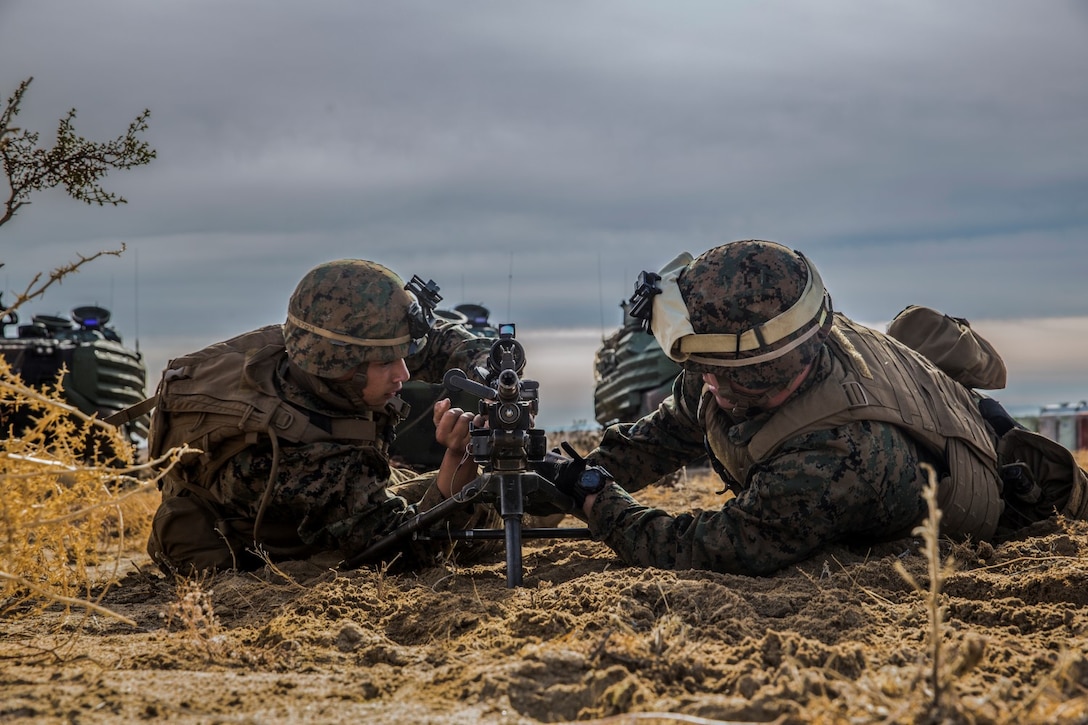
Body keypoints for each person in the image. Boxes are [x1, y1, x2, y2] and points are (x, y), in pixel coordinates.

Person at [541, 239, 1076, 576]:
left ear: (755, 371)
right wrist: (548, 480)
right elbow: (652, 442)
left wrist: (597, 500)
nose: (702, 379)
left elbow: (705, 549)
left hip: (1011, 494)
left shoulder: (833, 459)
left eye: (713, 368)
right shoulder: (740, 365)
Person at [145, 259, 499, 574]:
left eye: (401, 356)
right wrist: (460, 457)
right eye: (387, 362)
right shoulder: (300, 457)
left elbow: (431, 343)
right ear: (342, 365)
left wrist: (490, 370)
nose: (403, 374)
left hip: (331, 496)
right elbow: (410, 551)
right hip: (272, 534)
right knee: (483, 506)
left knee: (482, 488)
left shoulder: (315, 350)